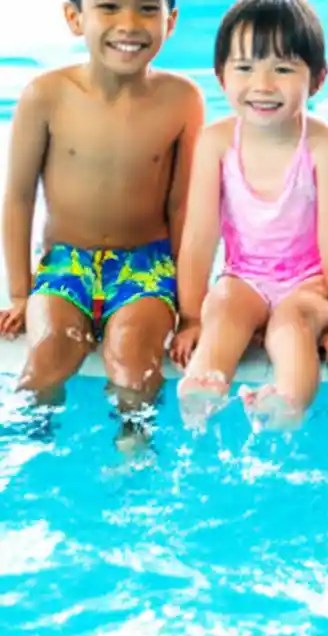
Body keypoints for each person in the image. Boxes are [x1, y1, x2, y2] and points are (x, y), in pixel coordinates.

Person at [0, 0, 204, 449]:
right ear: (75, 18)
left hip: (146, 267)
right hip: (64, 266)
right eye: (108, 7)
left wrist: (189, 310)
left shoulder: (182, 100)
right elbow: (17, 197)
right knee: (48, 355)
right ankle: (31, 445)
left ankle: (134, 448)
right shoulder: (46, 95)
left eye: (147, 9)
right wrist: (20, 291)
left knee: (134, 361)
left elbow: (184, 209)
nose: (128, 25)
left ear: (170, 21)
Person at [168, 0, 328, 431]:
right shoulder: (216, 144)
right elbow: (199, 238)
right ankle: (205, 381)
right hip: (244, 278)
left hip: (309, 282)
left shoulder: (325, 148)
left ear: (318, 78)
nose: (262, 84)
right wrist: (190, 318)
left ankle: (289, 398)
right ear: (220, 77)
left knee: (291, 326)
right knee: (221, 307)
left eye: (282, 68)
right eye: (244, 68)